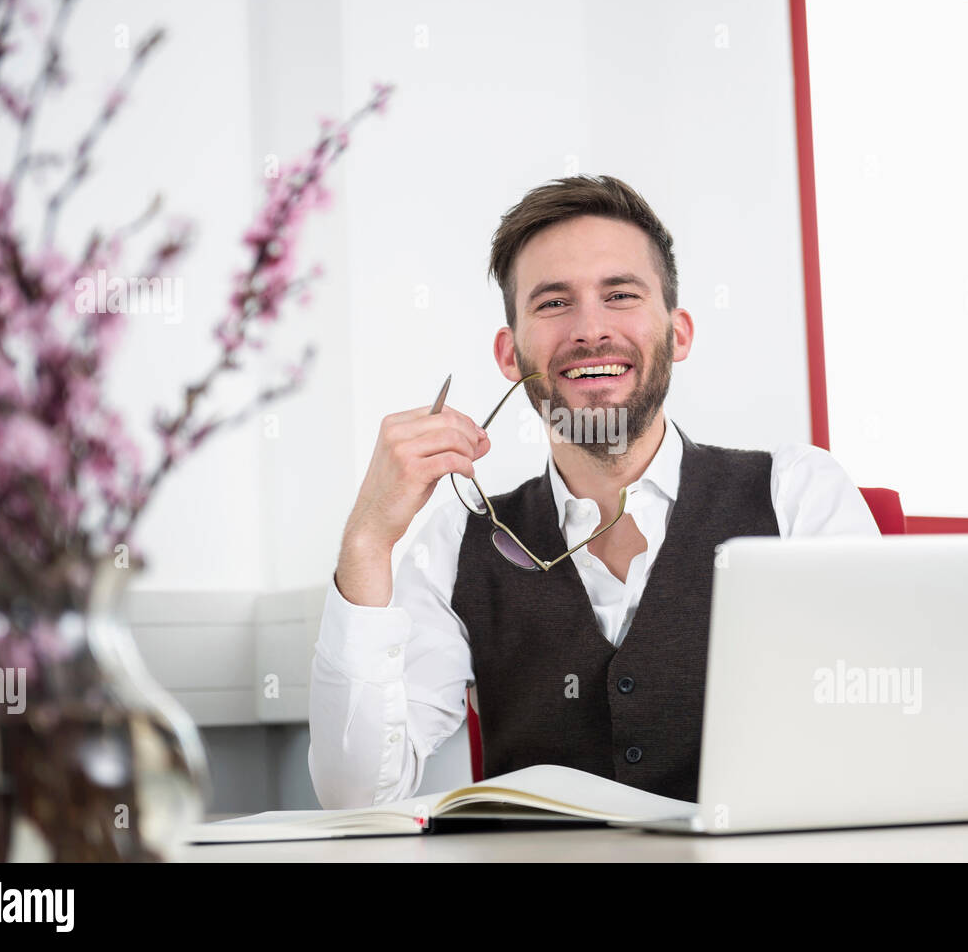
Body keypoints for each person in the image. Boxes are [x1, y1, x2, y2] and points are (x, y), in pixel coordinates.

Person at [308, 175, 879, 808]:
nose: (590, 329)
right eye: (553, 303)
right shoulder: (453, 544)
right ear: (509, 353)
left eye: (621, 295)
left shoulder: (796, 494)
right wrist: (366, 541)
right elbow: (355, 797)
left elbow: (878, 743)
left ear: (679, 333)